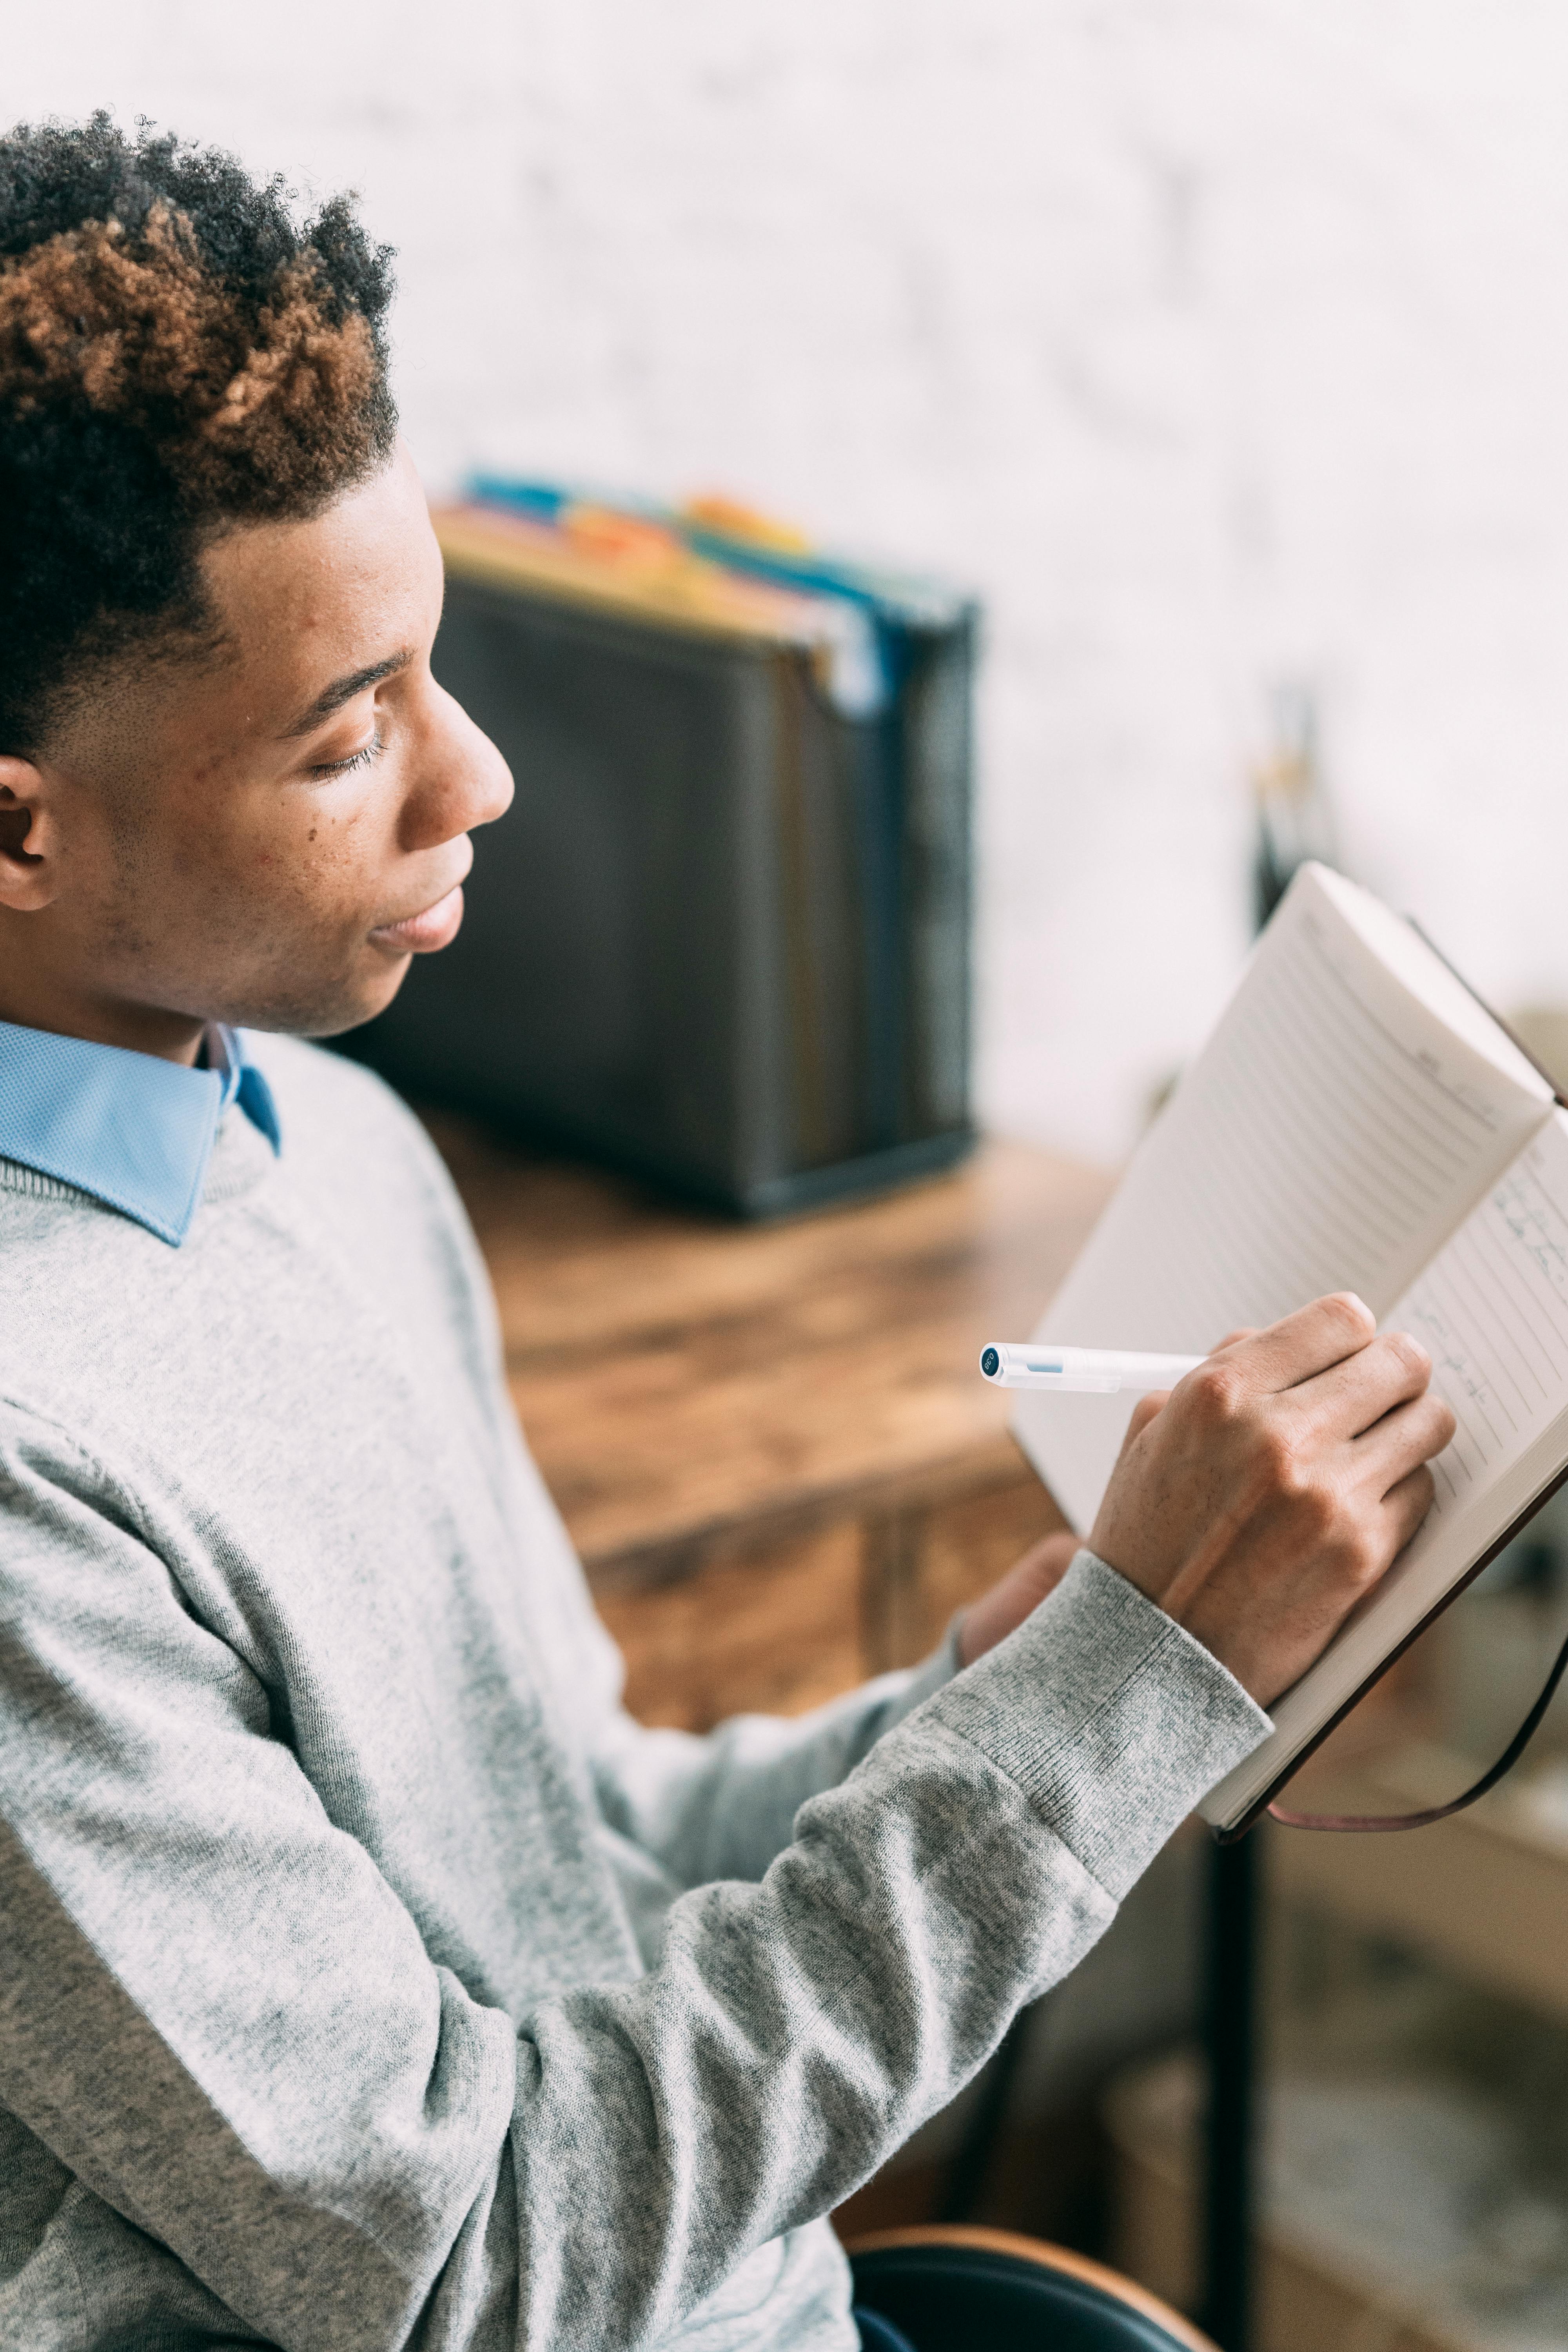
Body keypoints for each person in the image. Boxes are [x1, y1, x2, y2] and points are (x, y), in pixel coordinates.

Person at [0, 115, 1454, 2352]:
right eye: (345, 738)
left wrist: (1015, 1694)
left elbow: (575, 1840)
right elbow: (468, 2259)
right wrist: (1107, 1699)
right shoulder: (30, 1477)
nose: (478, 777)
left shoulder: (331, 1141)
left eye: (435, 665)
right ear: (17, 830)